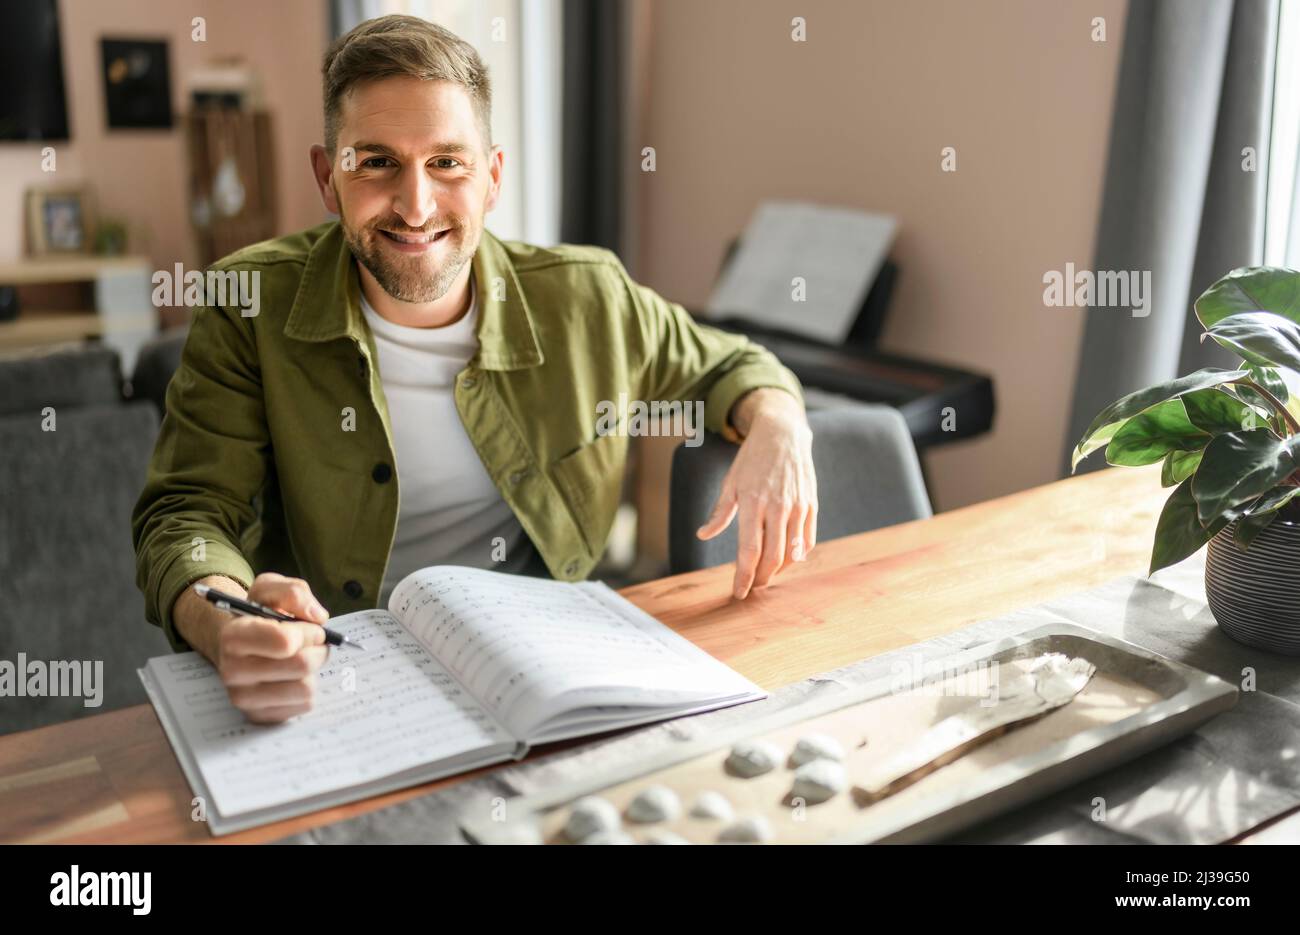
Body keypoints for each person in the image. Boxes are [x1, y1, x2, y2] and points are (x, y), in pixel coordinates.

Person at [132, 14, 816, 724]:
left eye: (446, 162)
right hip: (332, 673)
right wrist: (225, 619)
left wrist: (781, 427)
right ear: (326, 178)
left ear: (491, 177)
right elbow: (187, 513)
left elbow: (734, 363)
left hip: (545, 672)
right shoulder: (246, 305)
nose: (415, 204)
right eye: (375, 161)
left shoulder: (588, 296)